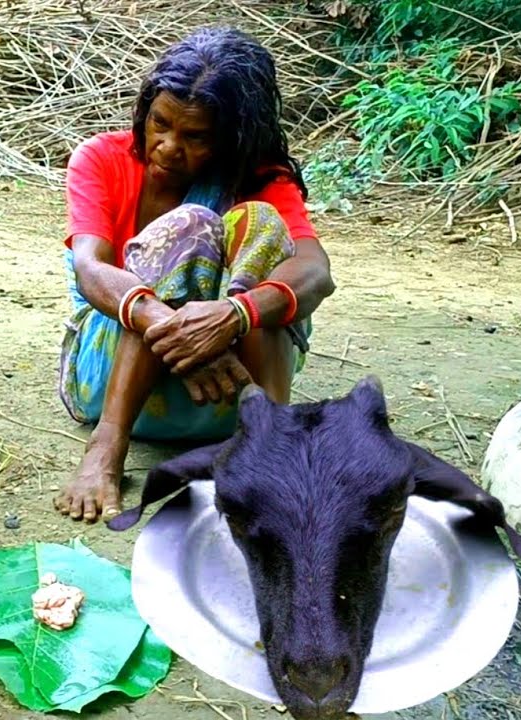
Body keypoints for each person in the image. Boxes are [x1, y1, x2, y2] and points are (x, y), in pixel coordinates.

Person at [53, 27, 337, 523]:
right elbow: (90, 268)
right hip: (112, 386)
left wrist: (233, 316)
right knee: (191, 226)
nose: (167, 146)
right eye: (159, 123)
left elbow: (316, 273)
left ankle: (270, 448)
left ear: (233, 138)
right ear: (144, 110)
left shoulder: (260, 178)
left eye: (195, 137)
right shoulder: (100, 159)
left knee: (263, 228)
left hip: (231, 386)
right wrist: (175, 327)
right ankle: (106, 448)